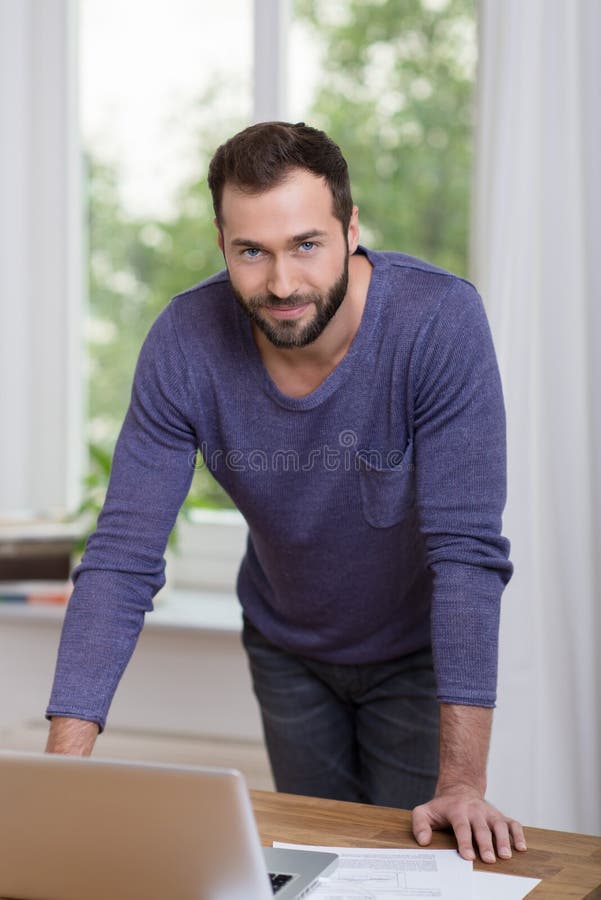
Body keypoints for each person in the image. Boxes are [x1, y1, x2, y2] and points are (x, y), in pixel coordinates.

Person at [46, 121, 526, 863]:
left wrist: (463, 780)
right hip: (286, 648)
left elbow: (466, 554)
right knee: (316, 862)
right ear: (222, 244)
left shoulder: (437, 321)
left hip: (414, 649)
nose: (280, 284)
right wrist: (59, 780)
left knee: (413, 866)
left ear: (350, 229)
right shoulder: (183, 342)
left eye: (305, 245)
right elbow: (122, 558)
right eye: (252, 252)